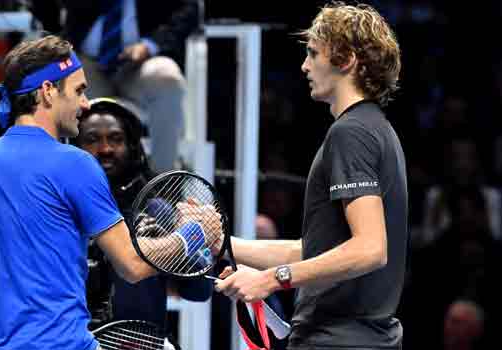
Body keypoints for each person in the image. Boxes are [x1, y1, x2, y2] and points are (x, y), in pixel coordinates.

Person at [0, 35, 220, 350]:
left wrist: (14, 304)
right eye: (79, 91)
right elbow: (132, 265)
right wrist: (195, 232)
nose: (85, 104)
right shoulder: (76, 164)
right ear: (48, 91)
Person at [214, 3, 407, 349]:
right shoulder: (376, 129)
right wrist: (226, 246)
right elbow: (319, 252)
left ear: (345, 59)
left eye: (314, 53)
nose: (304, 66)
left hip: (337, 340)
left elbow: (370, 249)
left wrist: (272, 280)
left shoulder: (352, 133)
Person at [73, 97, 213, 339]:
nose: (105, 149)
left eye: (116, 139)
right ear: (73, 147)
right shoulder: (58, 212)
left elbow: (199, 291)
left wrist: (177, 247)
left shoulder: (158, 210)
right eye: (92, 139)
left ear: (133, 148)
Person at [31, 0, 199, 171]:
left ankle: (163, 184)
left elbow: (190, 10)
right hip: (86, 62)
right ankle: (60, 180)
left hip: (142, 63)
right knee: (57, 76)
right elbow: (44, 8)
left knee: (167, 79)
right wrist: (57, 38)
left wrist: (150, 45)